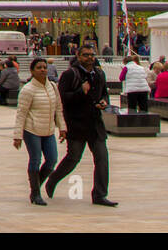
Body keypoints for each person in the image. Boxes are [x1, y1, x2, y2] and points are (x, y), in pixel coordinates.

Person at [45, 44, 117, 206]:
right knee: (73, 158)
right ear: (78, 56)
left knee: (102, 158)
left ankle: (99, 194)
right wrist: (80, 92)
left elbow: (103, 92)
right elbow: (62, 98)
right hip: (76, 123)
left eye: (92, 55)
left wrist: (104, 101)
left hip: (95, 123)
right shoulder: (70, 75)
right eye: (86, 55)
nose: (90, 58)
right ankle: (53, 179)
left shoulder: (99, 73)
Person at [13, 57, 66, 206]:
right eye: (39, 68)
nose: (43, 70)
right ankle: (36, 194)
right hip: (32, 130)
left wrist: (62, 127)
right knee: (35, 160)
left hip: (48, 130)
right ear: (32, 71)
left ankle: (35, 187)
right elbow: (21, 113)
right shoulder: (28, 89)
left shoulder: (53, 87)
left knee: (51, 160)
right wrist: (17, 136)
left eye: (44, 67)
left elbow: (58, 109)